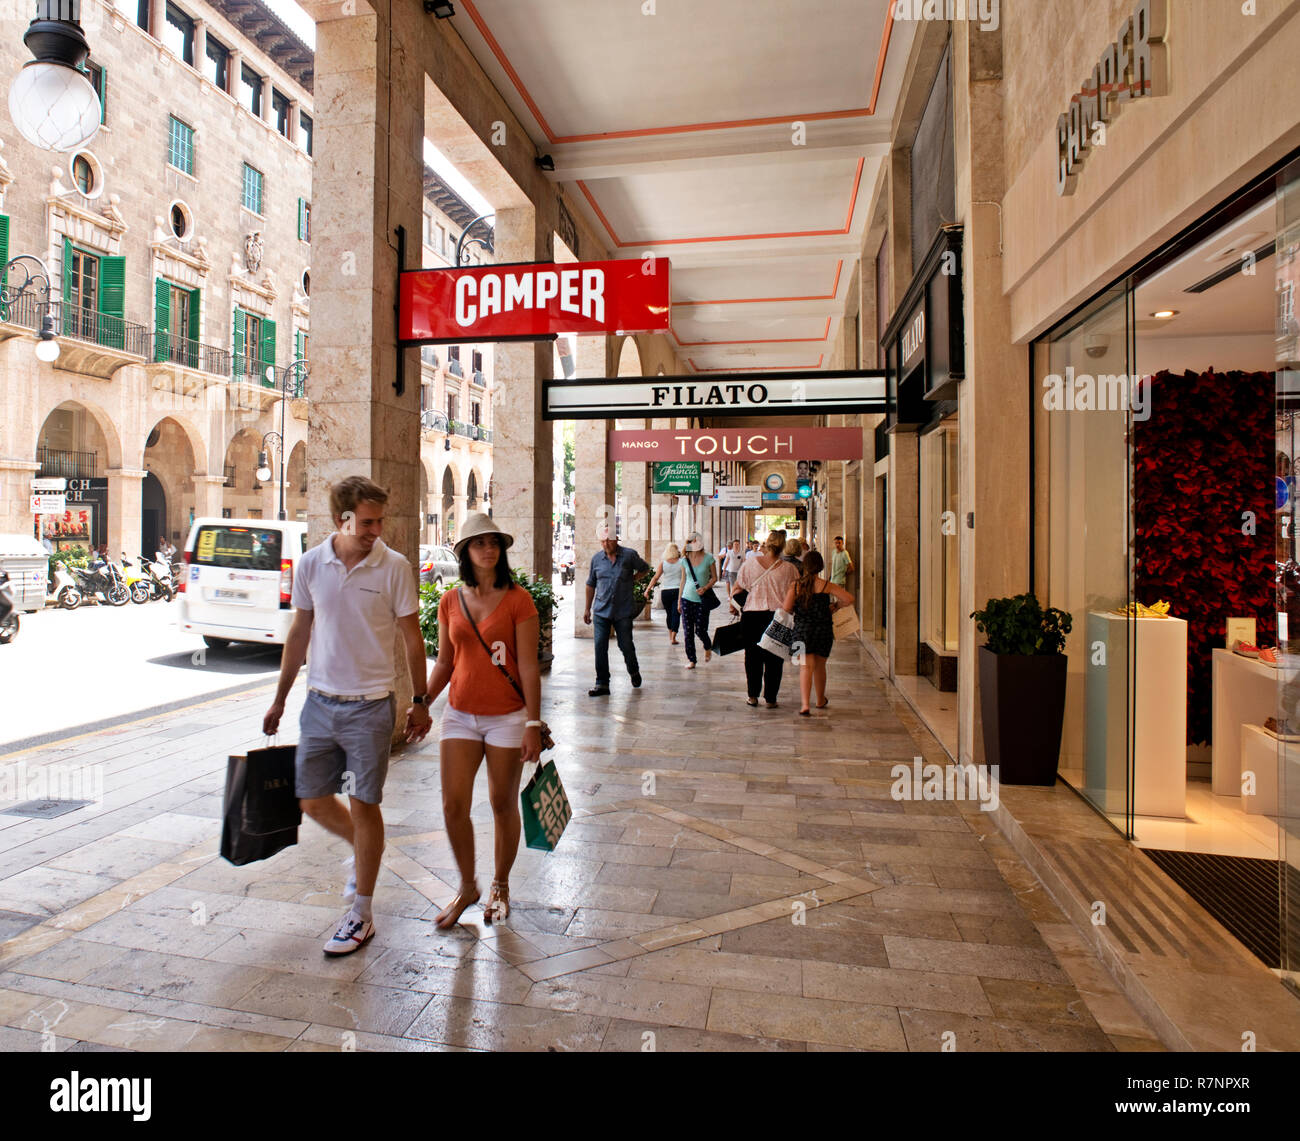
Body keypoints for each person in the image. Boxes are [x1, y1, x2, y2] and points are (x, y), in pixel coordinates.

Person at [263, 476, 429, 956]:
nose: (377, 530)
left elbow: (412, 638)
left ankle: (362, 911)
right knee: (311, 799)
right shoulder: (312, 564)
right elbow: (300, 633)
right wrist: (279, 699)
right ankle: (366, 850)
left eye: (381, 520)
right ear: (343, 519)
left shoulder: (394, 567)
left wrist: (419, 700)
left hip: (371, 708)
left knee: (363, 804)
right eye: (369, 521)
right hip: (319, 702)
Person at [417, 512, 542, 928]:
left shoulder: (518, 600)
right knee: (454, 805)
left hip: (507, 717)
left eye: (494, 543)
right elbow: (446, 663)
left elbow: (527, 666)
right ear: (466, 552)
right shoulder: (451, 601)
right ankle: (467, 885)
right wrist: (422, 701)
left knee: (501, 802)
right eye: (479, 543)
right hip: (460, 715)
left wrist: (532, 724)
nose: (488, 550)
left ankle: (501, 884)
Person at [781, 549, 855, 716]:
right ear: (820, 566)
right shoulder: (827, 586)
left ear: (805, 566)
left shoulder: (796, 585)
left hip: (801, 632)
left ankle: (805, 705)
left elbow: (786, 608)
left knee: (804, 667)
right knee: (820, 666)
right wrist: (835, 606)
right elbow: (849, 599)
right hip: (823, 631)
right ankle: (820, 700)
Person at [732, 530, 798, 707]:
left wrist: (733, 603)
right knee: (775, 658)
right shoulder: (790, 569)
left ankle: (752, 696)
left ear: (766, 544)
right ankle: (770, 698)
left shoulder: (751, 563)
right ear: (783, 546)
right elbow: (795, 594)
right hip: (777, 617)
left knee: (752, 657)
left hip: (752, 615)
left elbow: (739, 586)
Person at [583, 528, 651, 696]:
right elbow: (591, 584)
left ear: (616, 539)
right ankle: (602, 683)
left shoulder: (629, 556)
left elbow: (645, 568)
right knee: (600, 646)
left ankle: (633, 671)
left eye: (609, 540)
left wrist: (633, 579)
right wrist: (587, 608)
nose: (606, 544)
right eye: (603, 541)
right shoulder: (596, 559)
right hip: (601, 610)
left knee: (625, 644)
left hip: (623, 610)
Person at [679, 530, 718, 669]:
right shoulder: (685, 560)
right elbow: (683, 581)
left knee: (700, 630)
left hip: (702, 599)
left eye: (696, 540)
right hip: (686, 598)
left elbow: (714, 577)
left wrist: (705, 588)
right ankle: (692, 660)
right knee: (687, 631)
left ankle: (708, 646)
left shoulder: (708, 558)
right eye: (691, 541)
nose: (693, 543)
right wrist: (679, 600)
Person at [645, 542, 683, 645]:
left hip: (665, 592)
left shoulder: (663, 563)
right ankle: (673, 637)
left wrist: (648, 589)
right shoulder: (682, 562)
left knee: (669, 614)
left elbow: (655, 577)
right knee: (676, 614)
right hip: (677, 591)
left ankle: (671, 635)